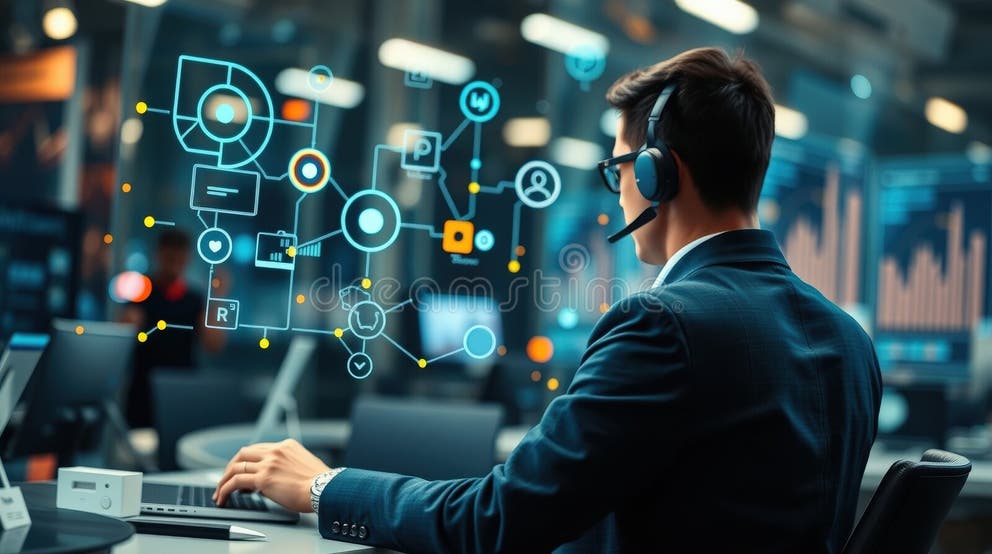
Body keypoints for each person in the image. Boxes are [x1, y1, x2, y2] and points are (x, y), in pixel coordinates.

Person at [213, 47, 881, 553]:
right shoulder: (849, 340)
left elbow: (500, 520)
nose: (618, 188)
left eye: (618, 167)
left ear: (656, 174)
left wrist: (325, 486)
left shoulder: (663, 324)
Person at [120, 229, 224, 428]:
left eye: (180, 257)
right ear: (159, 255)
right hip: (143, 394)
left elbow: (214, 345)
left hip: (181, 392)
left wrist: (217, 297)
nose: (175, 263)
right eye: (170, 257)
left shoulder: (195, 299)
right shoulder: (141, 292)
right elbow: (122, 338)